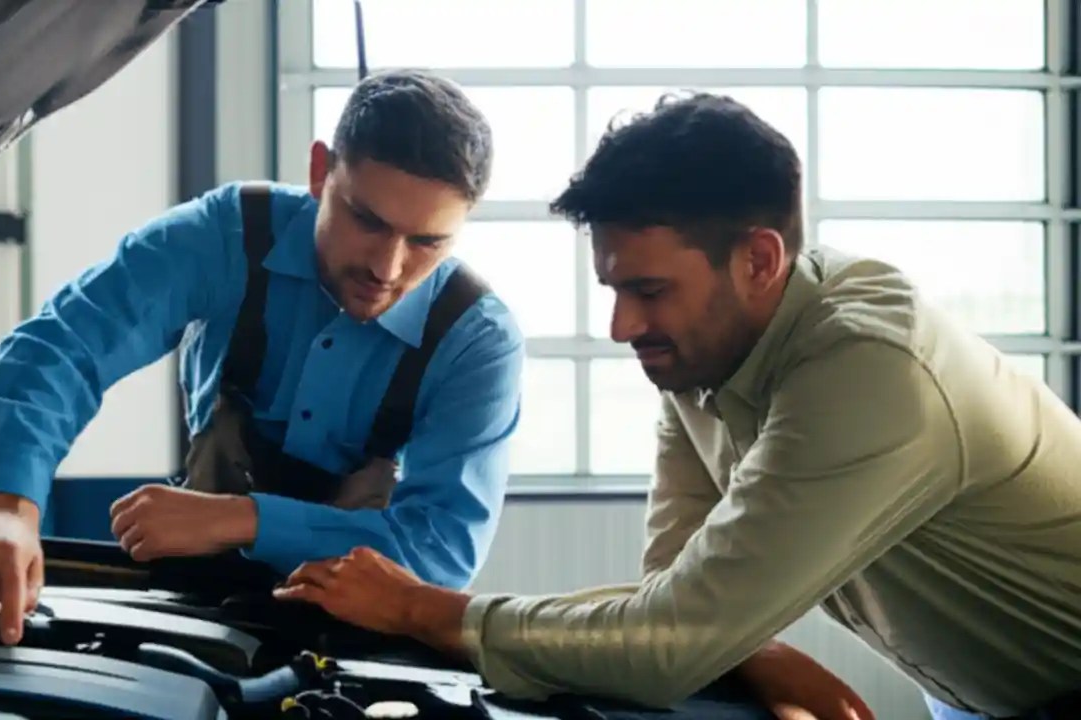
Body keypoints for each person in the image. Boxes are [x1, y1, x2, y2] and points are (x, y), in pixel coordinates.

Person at [272, 92, 1081, 720]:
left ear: (759, 259)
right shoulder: (708, 361)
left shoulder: (870, 370)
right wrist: (752, 651)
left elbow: (666, 642)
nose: (622, 325)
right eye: (615, 287)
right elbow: (669, 597)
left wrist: (422, 609)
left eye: (649, 290)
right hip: (980, 692)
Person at [0, 69, 525, 647]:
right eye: (367, 220)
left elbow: (441, 554)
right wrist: (5, 506)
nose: (387, 268)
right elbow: (64, 345)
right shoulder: (226, 235)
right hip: (191, 610)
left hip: (367, 636)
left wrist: (239, 519)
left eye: (427, 242)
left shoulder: (476, 341)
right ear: (320, 171)